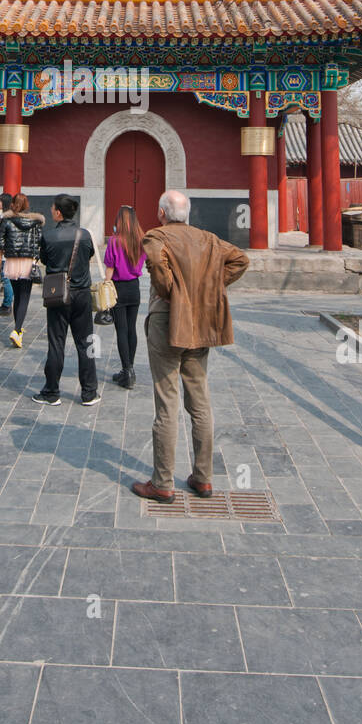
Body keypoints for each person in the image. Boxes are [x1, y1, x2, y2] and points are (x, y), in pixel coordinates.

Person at [132, 190, 248, 504]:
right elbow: (240, 259)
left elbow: (155, 261)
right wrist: (211, 285)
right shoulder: (208, 239)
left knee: (167, 401)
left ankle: (163, 483)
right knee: (199, 400)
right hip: (200, 322)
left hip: (168, 322)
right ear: (189, 212)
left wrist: (171, 289)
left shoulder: (157, 236)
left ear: (161, 213)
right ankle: (203, 478)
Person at [34, 194, 100, 406]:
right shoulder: (85, 235)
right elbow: (88, 255)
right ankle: (89, 392)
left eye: (53, 208)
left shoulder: (49, 236)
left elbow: (44, 259)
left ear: (59, 212)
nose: (51, 210)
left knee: (56, 343)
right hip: (81, 293)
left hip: (57, 293)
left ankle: (51, 391)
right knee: (85, 343)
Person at [104, 204, 146, 390]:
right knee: (132, 329)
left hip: (118, 287)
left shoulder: (114, 241)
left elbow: (110, 268)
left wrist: (105, 285)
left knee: (121, 329)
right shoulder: (141, 240)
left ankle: (126, 370)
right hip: (134, 288)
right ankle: (130, 368)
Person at [0, 193, 45, 348]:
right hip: (27, 262)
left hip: (11, 261)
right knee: (24, 297)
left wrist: (8, 250)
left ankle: (18, 329)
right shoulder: (35, 222)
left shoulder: (7, 220)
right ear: (26, 205)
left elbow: (0, 241)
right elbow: (39, 242)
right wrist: (36, 257)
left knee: (17, 296)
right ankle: (17, 331)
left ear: (12, 204)